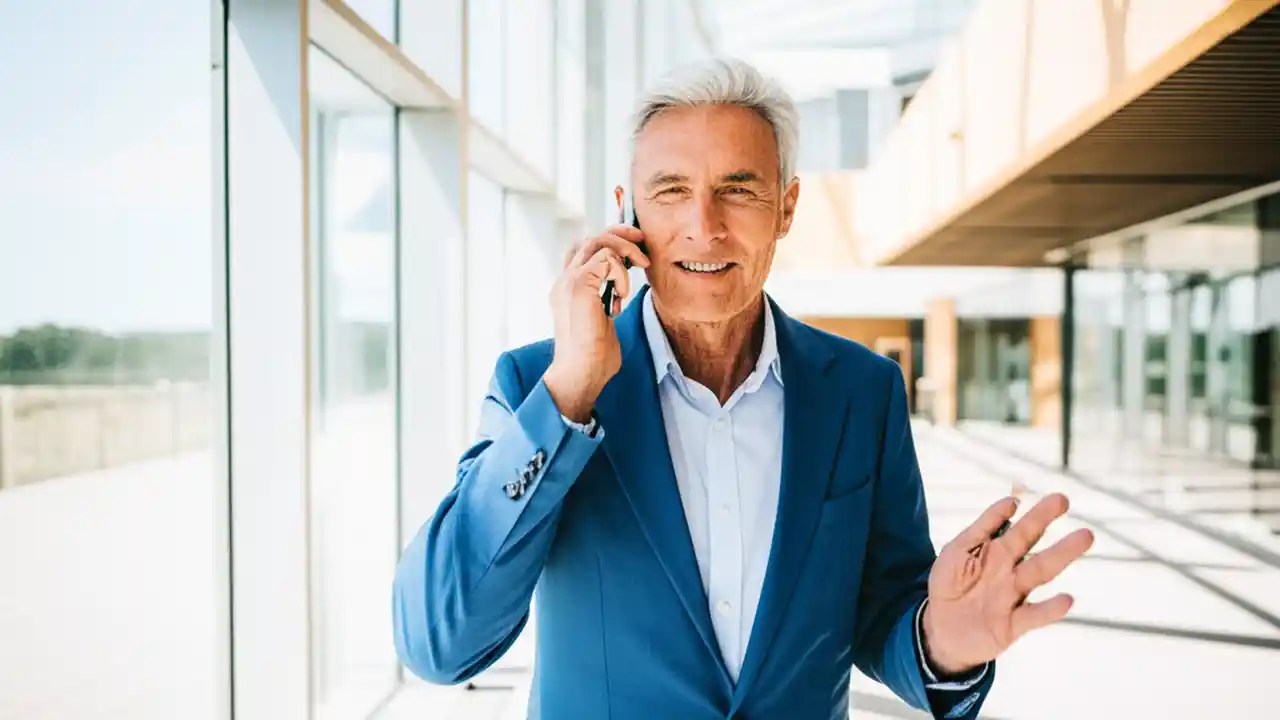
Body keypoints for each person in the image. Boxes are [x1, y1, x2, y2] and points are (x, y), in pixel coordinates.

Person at [392, 57, 1093, 719]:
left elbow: (883, 614)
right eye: (671, 191)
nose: (705, 226)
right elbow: (439, 643)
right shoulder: (538, 386)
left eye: (738, 189)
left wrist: (940, 641)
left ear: (786, 208)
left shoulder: (862, 392)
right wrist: (569, 395)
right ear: (626, 210)